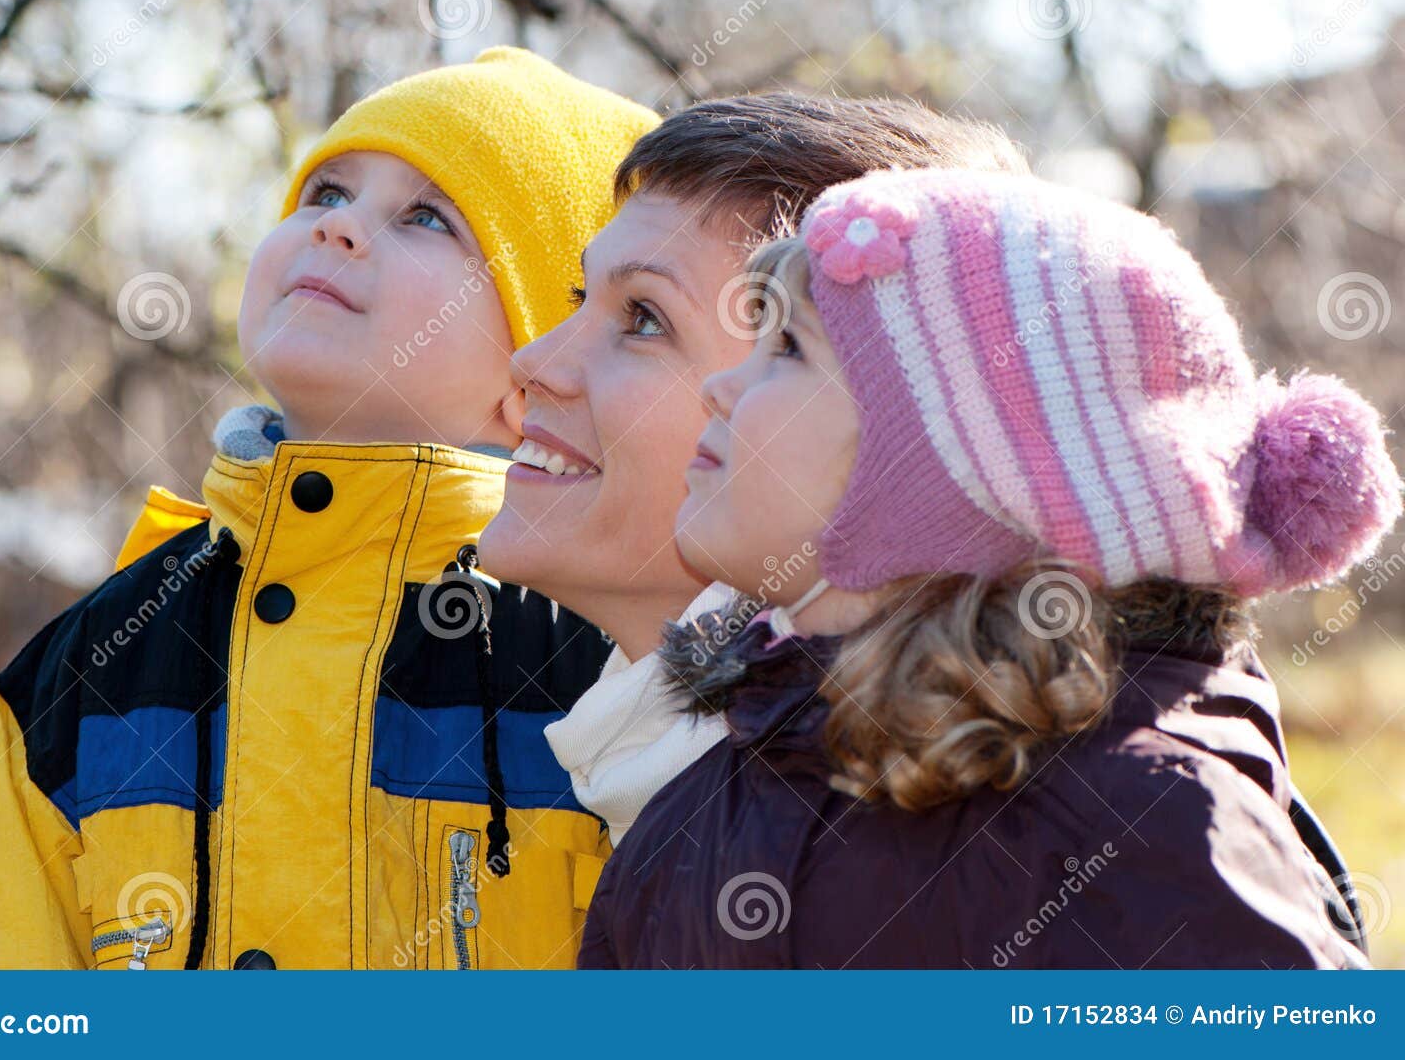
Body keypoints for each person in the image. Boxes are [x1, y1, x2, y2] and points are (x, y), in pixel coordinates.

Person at [579, 168, 1401, 968]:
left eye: (787, 346)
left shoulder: (1142, 836)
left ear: (962, 482)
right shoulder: (683, 831)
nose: (721, 384)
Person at [0, 47, 659, 969]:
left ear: (534, 373)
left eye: (427, 217)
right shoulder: (75, 677)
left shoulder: (607, 662)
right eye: (325, 193)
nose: (339, 229)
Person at [477, 93, 1028, 845]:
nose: (533, 361)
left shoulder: (920, 848)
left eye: (645, 317)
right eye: (581, 296)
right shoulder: (654, 785)